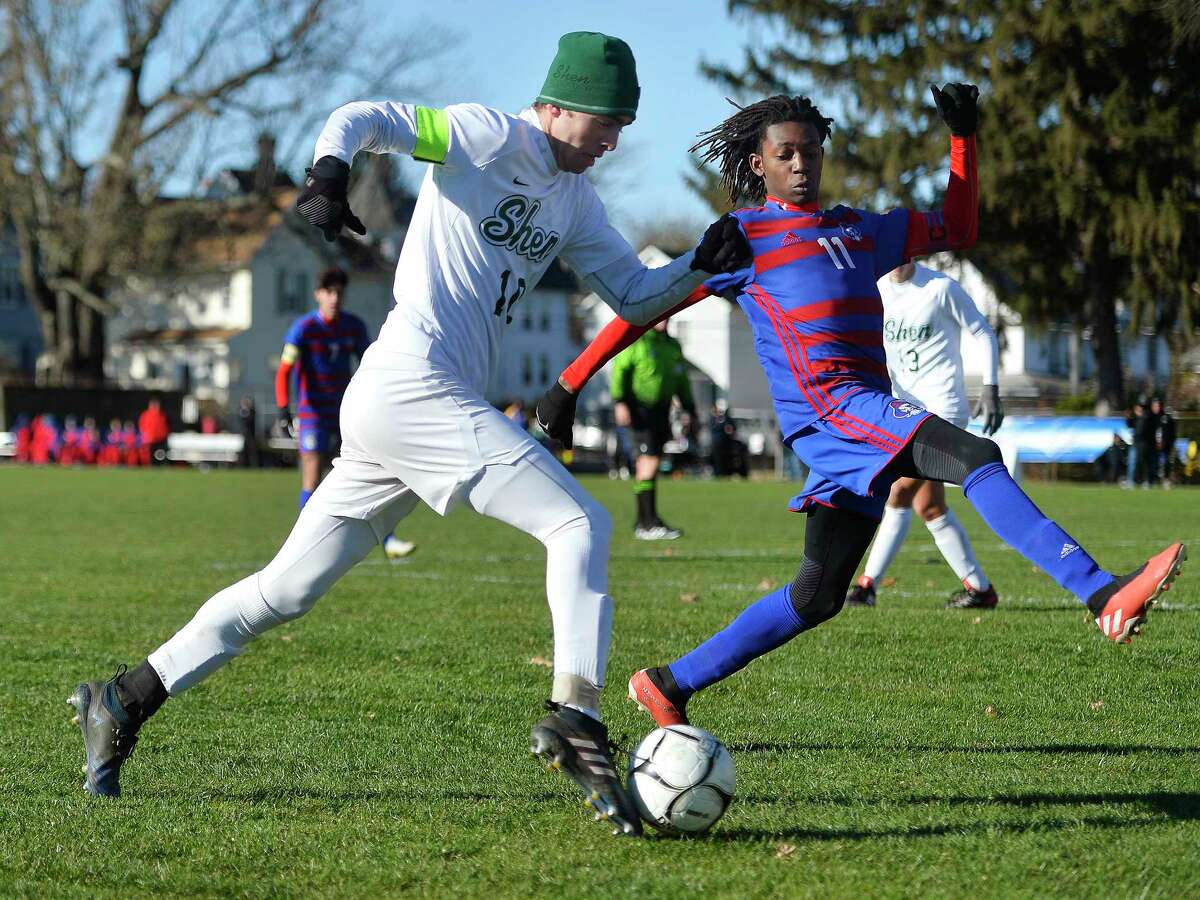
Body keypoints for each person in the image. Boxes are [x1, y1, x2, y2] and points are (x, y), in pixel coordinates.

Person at [68, 31, 748, 838]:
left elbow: (635, 299)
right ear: (558, 105)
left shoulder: (575, 202)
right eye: (606, 120)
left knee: (283, 592)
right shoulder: (488, 136)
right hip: (411, 383)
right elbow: (366, 116)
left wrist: (702, 265)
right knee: (578, 523)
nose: (614, 139)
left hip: (409, 402)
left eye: (623, 125)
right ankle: (577, 716)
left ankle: (123, 697)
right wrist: (328, 171)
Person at [535, 87, 1186, 731]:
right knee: (975, 455)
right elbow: (646, 307)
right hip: (831, 412)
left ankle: (667, 683)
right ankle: (1102, 593)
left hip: (860, 417)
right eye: (786, 153)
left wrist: (963, 139)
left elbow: (958, 227)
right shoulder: (742, 237)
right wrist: (568, 383)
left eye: (811, 152)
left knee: (816, 597)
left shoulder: (857, 229)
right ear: (758, 164)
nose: (800, 164)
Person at [845, 261, 1003, 610]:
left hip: (943, 408)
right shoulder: (878, 290)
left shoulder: (940, 288)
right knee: (929, 506)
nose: (900, 259)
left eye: (907, 251)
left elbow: (983, 332)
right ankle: (980, 589)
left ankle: (866, 586)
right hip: (905, 412)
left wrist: (990, 388)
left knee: (898, 491)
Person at [275, 266, 415, 560]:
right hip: (313, 413)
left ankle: (387, 540)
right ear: (318, 295)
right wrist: (282, 409)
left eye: (339, 292)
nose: (334, 297)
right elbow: (284, 370)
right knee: (312, 477)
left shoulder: (353, 327)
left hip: (346, 414)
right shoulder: (303, 329)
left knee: (368, 476)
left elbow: (371, 365)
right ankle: (302, 549)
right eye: (329, 292)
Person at [609, 318, 697, 540]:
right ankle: (647, 523)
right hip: (640, 410)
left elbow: (681, 380)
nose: (664, 319)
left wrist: (689, 408)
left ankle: (645, 521)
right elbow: (620, 371)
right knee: (648, 462)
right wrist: (620, 402)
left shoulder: (672, 346)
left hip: (662, 410)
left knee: (650, 463)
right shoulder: (638, 342)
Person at [138, 398, 171, 466]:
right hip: (150, 439)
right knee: (150, 455)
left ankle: (161, 465)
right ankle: (151, 465)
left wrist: (165, 434)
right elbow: (142, 426)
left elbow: (166, 426)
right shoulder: (146, 415)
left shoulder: (162, 415)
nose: (155, 406)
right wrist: (145, 436)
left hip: (161, 438)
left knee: (161, 454)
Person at [1153, 397, 1176, 489]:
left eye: (1157, 405)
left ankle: (1166, 480)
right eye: (1154, 406)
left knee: (1166, 462)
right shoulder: (1150, 417)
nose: (1156, 407)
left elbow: (1170, 431)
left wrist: (1164, 441)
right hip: (1153, 444)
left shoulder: (1166, 417)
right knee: (1153, 462)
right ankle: (1152, 480)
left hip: (1165, 444)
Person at [237, 395, 259, 468]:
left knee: (252, 452)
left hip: (251, 435)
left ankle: (254, 466)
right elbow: (242, 420)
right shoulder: (242, 412)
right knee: (244, 452)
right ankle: (243, 466)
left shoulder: (252, 411)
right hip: (244, 435)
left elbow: (250, 420)